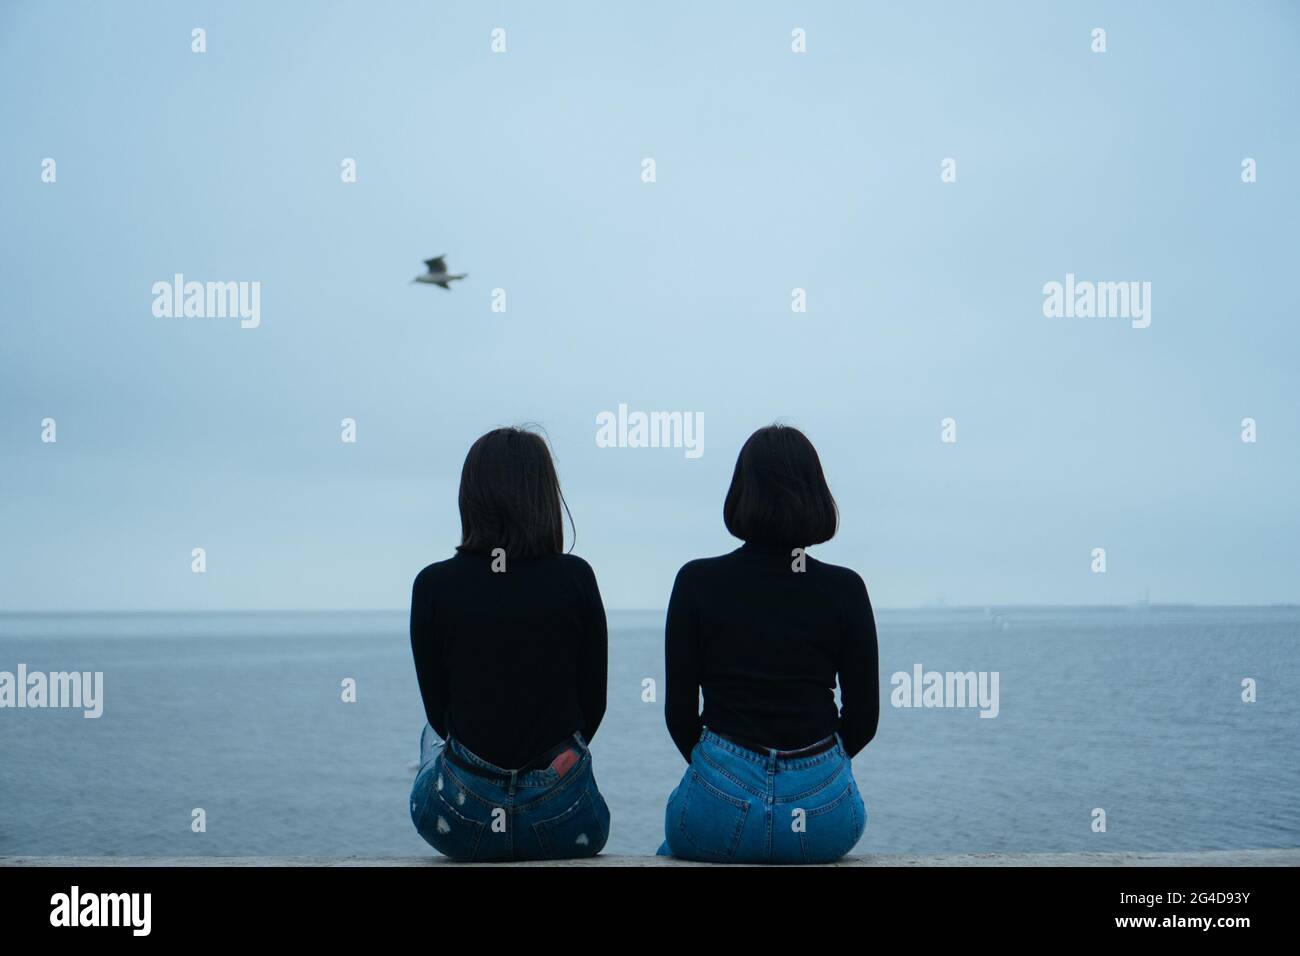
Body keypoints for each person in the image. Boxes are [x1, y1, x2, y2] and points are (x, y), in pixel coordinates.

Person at [659, 424, 879, 863]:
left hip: (721, 798)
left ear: (742, 493)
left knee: (675, 847)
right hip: (821, 810)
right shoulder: (845, 589)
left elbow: (679, 715)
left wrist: (727, 773)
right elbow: (864, 718)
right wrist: (809, 768)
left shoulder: (697, 581)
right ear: (817, 495)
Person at [409, 426, 611, 861]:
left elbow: (438, 712)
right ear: (543, 496)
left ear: (471, 496)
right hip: (565, 821)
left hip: (463, 823)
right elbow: (593, 706)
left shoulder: (433, 585)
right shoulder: (576, 577)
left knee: (430, 735)